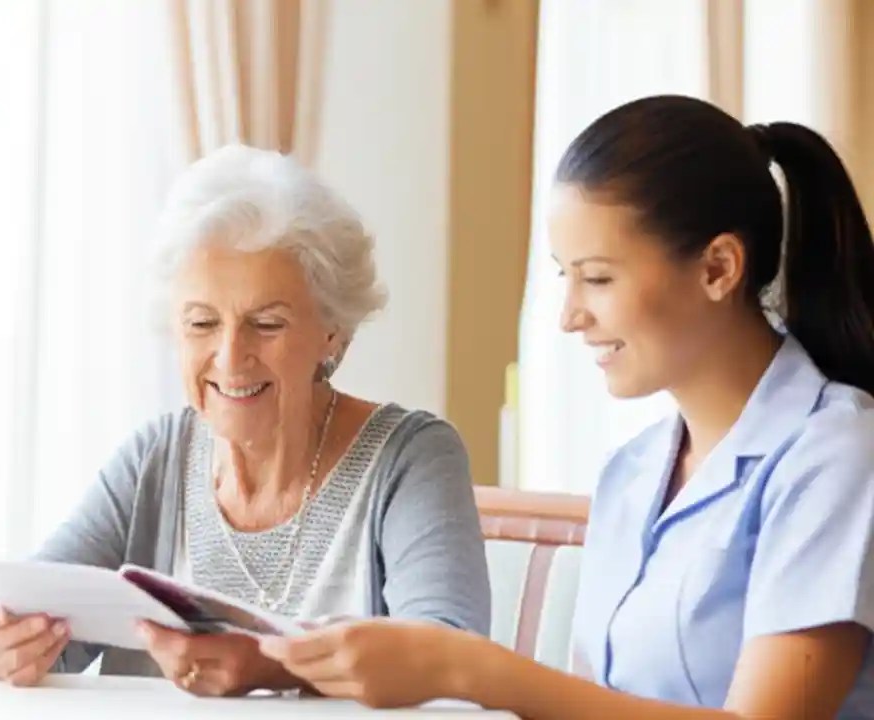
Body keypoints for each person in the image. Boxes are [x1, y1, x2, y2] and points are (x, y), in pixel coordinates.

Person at [260, 95, 874, 719]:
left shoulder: (836, 456)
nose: (570, 316)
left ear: (718, 267)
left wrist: (468, 667)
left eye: (599, 278)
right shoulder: (631, 475)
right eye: (565, 277)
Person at [0, 145, 490, 697]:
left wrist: (273, 665)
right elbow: (32, 612)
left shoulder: (411, 457)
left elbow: (451, 654)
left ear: (332, 331)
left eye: (266, 323)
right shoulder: (154, 460)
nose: (231, 358)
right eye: (202, 323)